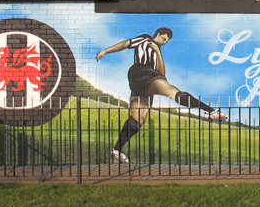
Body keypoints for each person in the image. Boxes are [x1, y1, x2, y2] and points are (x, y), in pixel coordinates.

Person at [96, 27, 227, 164]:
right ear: (158, 34)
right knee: (173, 91)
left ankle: (116, 150)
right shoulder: (145, 38)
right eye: (164, 39)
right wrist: (105, 51)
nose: (164, 42)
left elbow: (162, 74)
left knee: (138, 120)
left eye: (166, 41)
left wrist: (158, 52)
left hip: (144, 84)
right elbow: (125, 44)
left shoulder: (157, 50)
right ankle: (211, 111)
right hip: (140, 72)